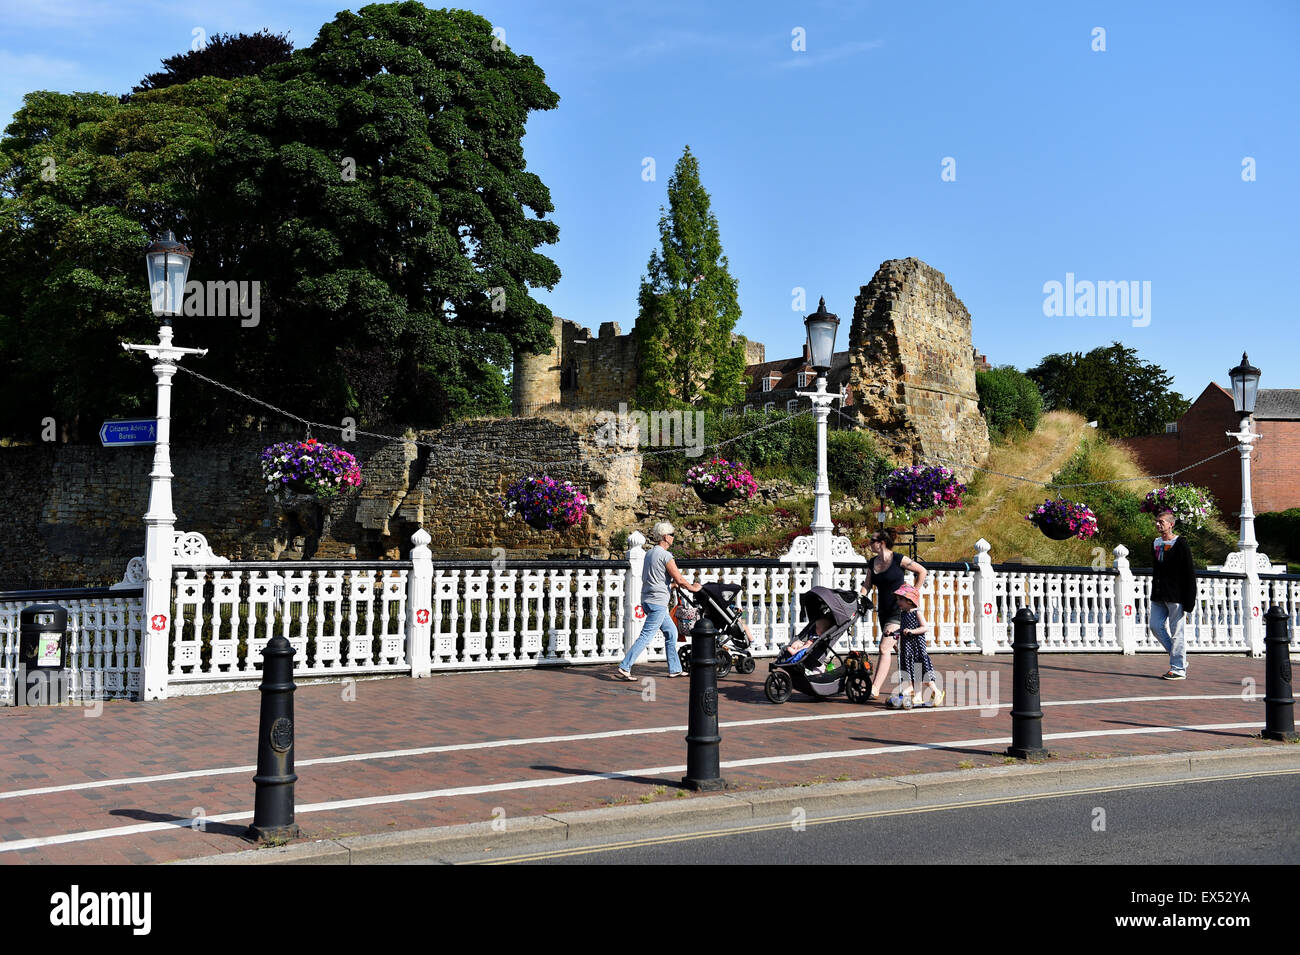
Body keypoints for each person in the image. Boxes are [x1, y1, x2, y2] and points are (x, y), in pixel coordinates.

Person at [617, 522, 701, 681]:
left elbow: (653, 578)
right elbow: (679, 578)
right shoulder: (666, 556)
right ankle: (625, 666)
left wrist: (671, 585)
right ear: (665, 537)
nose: (674, 538)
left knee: (671, 632)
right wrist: (693, 588)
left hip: (648, 599)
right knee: (646, 635)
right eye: (672, 535)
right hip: (658, 602)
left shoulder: (649, 554)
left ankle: (675, 669)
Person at [859, 527, 928, 700]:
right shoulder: (872, 563)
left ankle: (874, 689)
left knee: (884, 647)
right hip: (883, 611)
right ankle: (917, 685)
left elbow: (922, 571)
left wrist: (912, 594)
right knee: (903, 651)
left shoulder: (898, 559)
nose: (869, 543)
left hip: (899, 611)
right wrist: (859, 598)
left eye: (872, 540)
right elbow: (866, 585)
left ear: (882, 543)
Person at [1149, 508, 1197, 680]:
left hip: (1176, 595)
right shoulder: (1155, 543)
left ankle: (1178, 669)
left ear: (1171, 524)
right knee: (1155, 626)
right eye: (1156, 521)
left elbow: (1188, 572)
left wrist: (1190, 598)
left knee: (1177, 631)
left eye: (1161, 522)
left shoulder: (1181, 543)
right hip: (1158, 594)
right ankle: (1180, 659)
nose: (1157, 524)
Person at [890, 585, 944, 707]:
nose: (898, 602)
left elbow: (925, 627)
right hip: (907, 650)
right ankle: (918, 696)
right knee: (914, 674)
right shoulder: (903, 614)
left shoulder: (916, 613)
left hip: (917, 649)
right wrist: (893, 633)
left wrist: (912, 631)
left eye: (900, 599)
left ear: (909, 601)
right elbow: (903, 629)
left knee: (923, 674)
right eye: (898, 599)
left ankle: (937, 692)